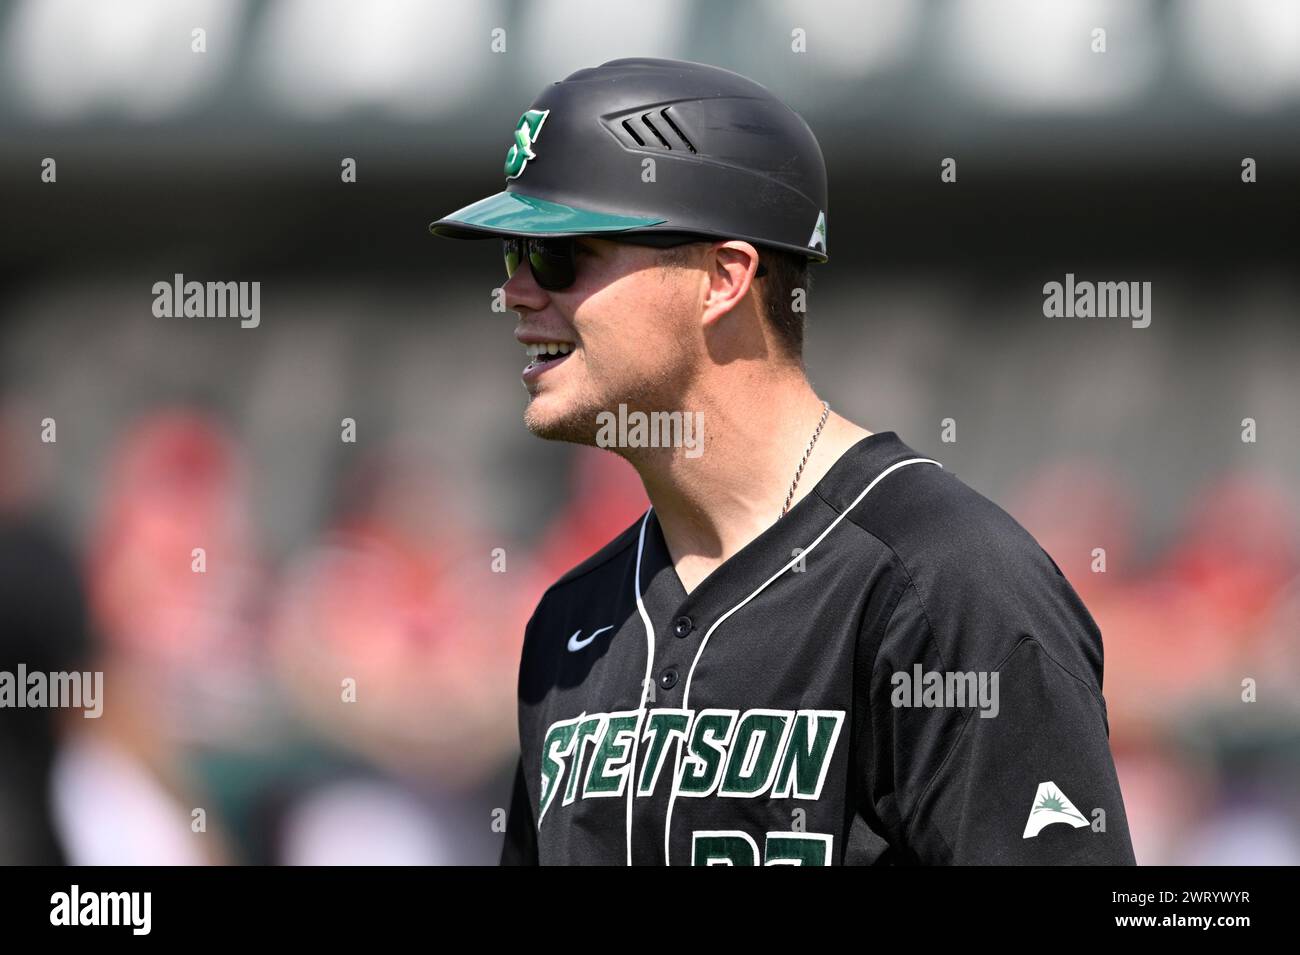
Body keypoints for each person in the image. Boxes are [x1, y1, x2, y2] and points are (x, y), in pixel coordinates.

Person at [430, 57, 1135, 865]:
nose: (518, 290)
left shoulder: (947, 584)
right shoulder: (571, 620)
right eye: (510, 254)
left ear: (723, 277)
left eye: (558, 253)